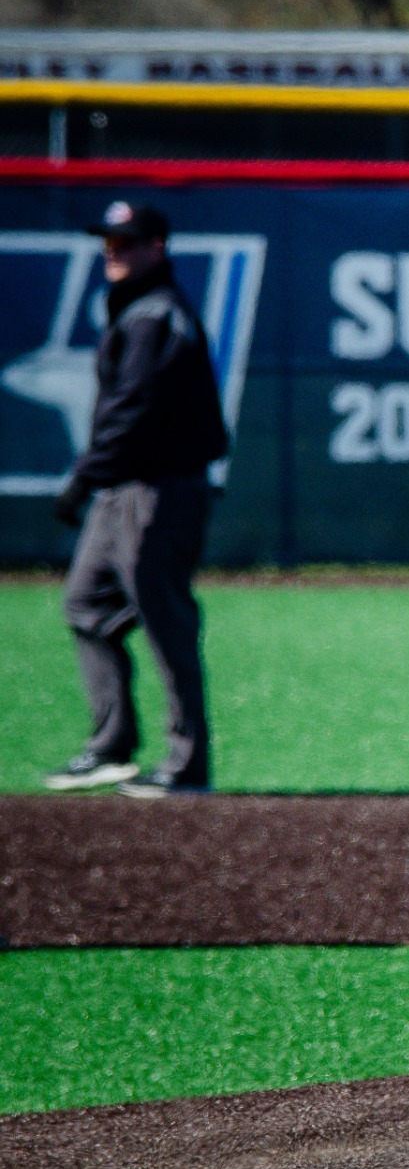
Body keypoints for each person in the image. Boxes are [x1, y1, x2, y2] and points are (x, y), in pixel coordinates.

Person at [42, 201, 229, 799]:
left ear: (157, 247)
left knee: (164, 621)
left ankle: (187, 763)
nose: (114, 252)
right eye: (108, 242)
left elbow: (134, 411)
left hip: (160, 490)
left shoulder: (157, 316)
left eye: (127, 241)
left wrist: (82, 478)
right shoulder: (136, 311)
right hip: (125, 488)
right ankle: (111, 745)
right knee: (87, 606)